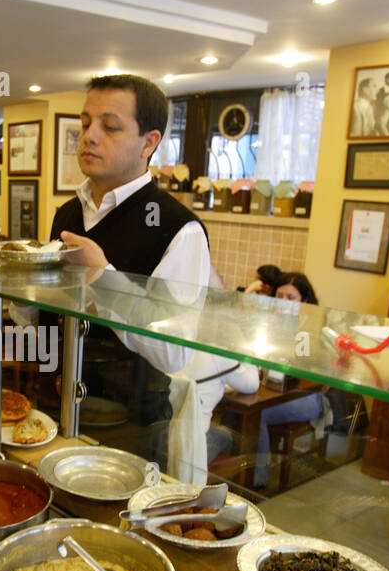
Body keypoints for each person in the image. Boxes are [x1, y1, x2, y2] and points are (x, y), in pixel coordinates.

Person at [47, 74, 257, 482]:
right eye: (85, 122)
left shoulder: (179, 229)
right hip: (58, 411)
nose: (88, 136)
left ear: (149, 142)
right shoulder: (66, 214)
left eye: (109, 127)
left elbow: (171, 352)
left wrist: (103, 276)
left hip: (132, 432)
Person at [249, 273, 329, 490]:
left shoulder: (311, 329)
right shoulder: (270, 323)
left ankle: (256, 481)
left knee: (257, 413)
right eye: (279, 296)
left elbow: (306, 367)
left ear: (304, 301)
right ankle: (236, 470)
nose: (283, 303)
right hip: (273, 390)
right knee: (238, 408)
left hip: (307, 397)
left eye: (290, 298)